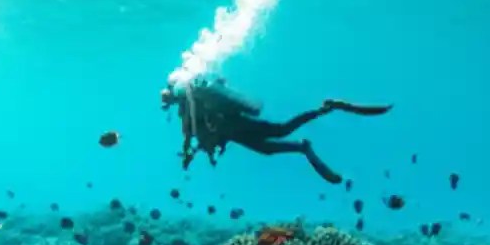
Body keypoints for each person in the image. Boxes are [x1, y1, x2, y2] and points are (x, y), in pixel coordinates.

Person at [161, 77, 391, 184]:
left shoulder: (189, 107)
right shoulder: (191, 106)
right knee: (270, 147)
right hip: (236, 133)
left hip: (238, 128)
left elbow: (189, 134)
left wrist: (189, 154)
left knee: (281, 130)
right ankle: (303, 146)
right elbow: (195, 136)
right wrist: (191, 154)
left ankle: (326, 108)